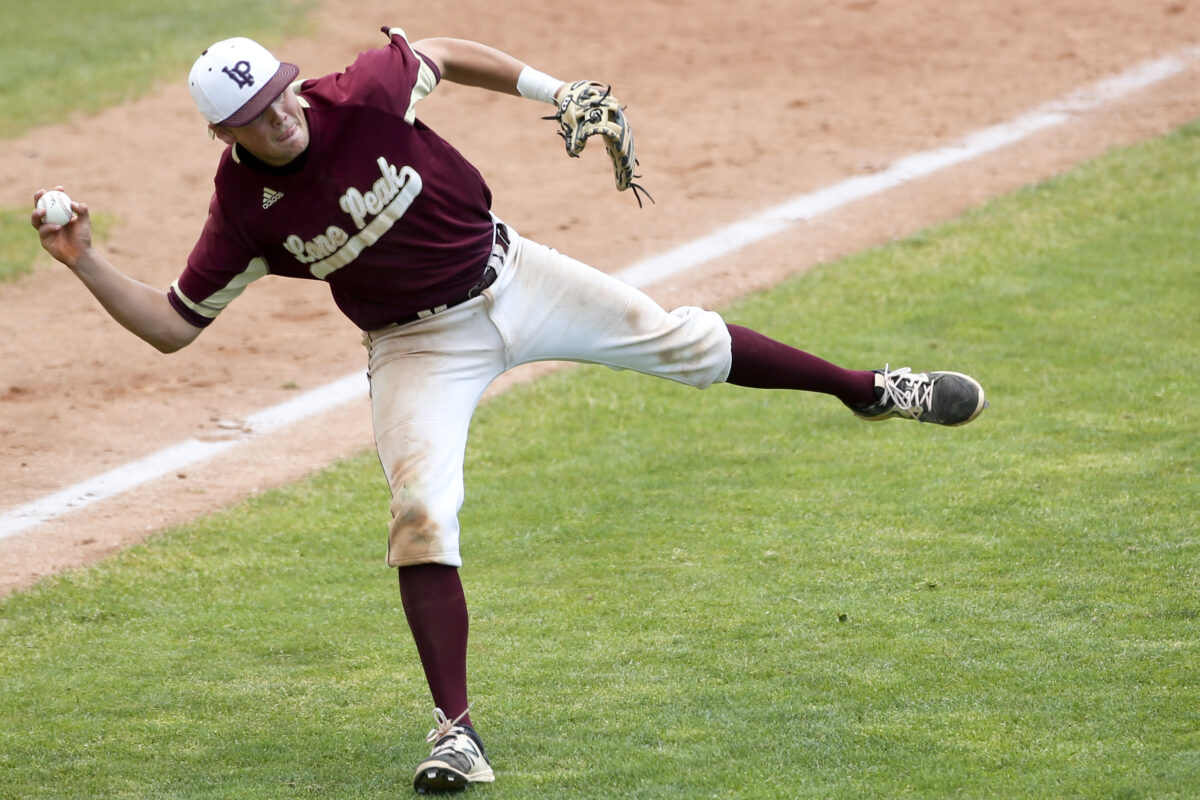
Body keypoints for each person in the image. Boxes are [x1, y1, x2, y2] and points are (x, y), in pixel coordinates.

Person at [33, 27, 987, 794]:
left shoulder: (362, 90)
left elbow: (444, 54)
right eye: (253, 112)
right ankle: (457, 733)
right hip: (416, 346)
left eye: (279, 90)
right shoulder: (244, 211)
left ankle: (871, 391)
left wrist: (555, 89)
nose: (279, 113)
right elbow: (171, 326)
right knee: (420, 516)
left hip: (516, 273)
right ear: (224, 132)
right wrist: (84, 263)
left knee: (684, 339)